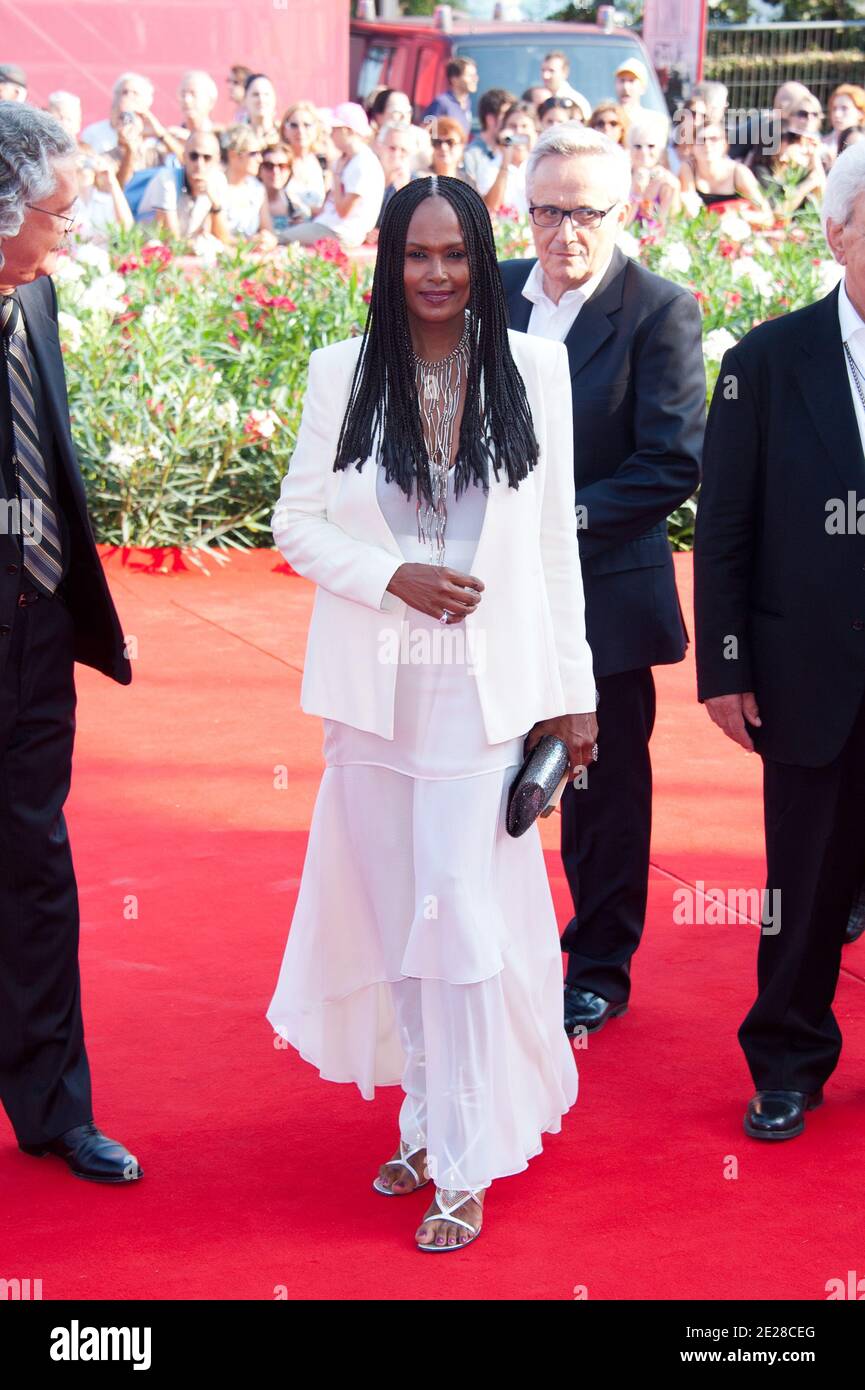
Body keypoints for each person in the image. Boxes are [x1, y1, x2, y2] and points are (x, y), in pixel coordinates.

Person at [266, 174, 597, 1252]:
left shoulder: (534, 370)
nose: (440, 274)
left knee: (456, 912)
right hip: (373, 695)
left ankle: (463, 1157)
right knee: (397, 913)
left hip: (480, 698)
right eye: (418, 254)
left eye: (457, 254)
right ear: (387, 261)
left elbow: (553, 548)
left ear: (482, 255)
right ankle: (420, 1118)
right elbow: (297, 525)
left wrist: (574, 696)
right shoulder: (341, 374)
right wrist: (392, 575)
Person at [499, 125, 705, 1037]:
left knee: (601, 787)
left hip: (603, 594)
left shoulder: (659, 310)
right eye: (547, 210)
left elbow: (672, 462)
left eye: (585, 211)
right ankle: (491, 949)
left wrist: (557, 521)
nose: (564, 232)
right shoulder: (490, 292)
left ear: (621, 212)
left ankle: (597, 967)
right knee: (483, 767)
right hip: (486, 590)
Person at [693, 139, 865, 1141]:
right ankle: (787, 1061)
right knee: (800, 887)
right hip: (807, 671)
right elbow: (724, 526)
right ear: (837, 231)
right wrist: (725, 663)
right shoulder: (763, 361)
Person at [0, 101, 140, 1182]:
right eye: (56, 214)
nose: (70, 235)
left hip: (36, 634)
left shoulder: (33, 293)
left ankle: (54, 1108)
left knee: (37, 871)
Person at [280, 102, 384, 248]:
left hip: (339, 233)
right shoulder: (348, 159)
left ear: (347, 131)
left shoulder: (363, 163)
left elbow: (343, 212)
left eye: (335, 129)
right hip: (330, 227)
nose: (330, 133)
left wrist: (336, 175)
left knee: (280, 238)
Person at [136, 130, 231, 254]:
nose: (199, 164)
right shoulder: (166, 180)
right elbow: (171, 240)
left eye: (207, 158)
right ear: (184, 156)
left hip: (185, 249)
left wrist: (214, 202)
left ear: (217, 159)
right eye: (194, 156)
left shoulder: (218, 181)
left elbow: (223, 238)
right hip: (147, 252)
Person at [680, 123, 773, 227]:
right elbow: (690, 209)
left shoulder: (739, 172)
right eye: (701, 140)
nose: (707, 144)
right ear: (692, 147)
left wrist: (738, 216)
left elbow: (767, 217)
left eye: (713, 139)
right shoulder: (688, 169)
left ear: (724, 144)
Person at [476, 100, 538, 216]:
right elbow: (491, 206)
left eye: (524, 126)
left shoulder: (543, 165)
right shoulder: (488, 165)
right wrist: (505, 162)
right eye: (512, 126)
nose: (519, 131)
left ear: (535, 131)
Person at [625, 111, 680, 228]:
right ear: (629, 148)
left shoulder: (669, 183)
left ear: (660, 149)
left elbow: (669, 228)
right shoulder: (621, 177)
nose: (644, 152)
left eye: (651, 146)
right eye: (638, 146)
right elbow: (622, 226)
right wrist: (636, 194)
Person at [221, 124, 273, 241]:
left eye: (261, 153)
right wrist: (249, 242)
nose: (260, 159)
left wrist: (267, 240)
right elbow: (218, 235)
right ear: (233, 154)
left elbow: (268, 230)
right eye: (253, 154)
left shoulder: (257, 188)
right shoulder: (216, 186)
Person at [72, 144, 134, 240]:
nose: (84, 166)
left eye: (88, 159)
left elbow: (126, 228)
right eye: (80, 160)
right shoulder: (65, 202)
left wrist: (112, 182)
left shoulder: (107, 199)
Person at [279, 102, 326, 217]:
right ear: (285, 130)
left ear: (316, 129)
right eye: (294, 125)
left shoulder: (324, 163)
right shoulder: (278, 163)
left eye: (307, 125)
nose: (300, 130)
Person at [463, 87, 515, 190]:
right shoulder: (472, 155)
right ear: (490, 119)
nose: (510, 120)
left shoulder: (512, 149)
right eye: (506, 115)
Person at [422, 57, 478, 141]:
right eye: (470, 75)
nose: (475, 79)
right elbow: (427, 133)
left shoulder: (467, 102)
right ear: (454, 79)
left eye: (475, 75)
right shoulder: (441, 103)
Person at [260, 143, 303, 237]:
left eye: (282, 166)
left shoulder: (294, 203)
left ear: (290, 171)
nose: (275, 172)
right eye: (268, 166)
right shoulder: (251, 202)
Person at [420, 116, 475, 187]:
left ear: (461, 147)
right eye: (437, 142)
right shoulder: (421, 182)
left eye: (450, 142)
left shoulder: (468, 182)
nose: (443, 147)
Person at [539, 53, 591, 121]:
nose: (545, 76)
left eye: (551, 71)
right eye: (543, 70)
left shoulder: (577, 101)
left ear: (565, 72)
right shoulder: (536, 99)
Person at [823, 85, 865, 167]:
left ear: (861, 113)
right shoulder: (822, 144)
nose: (837, 114)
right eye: (834, 108)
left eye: (844, 108)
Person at [243, 73, 279, 148]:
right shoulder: (236, 138)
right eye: (255, 94)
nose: (261, 99)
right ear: (245, 99)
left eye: (266, 94)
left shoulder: (285, 135)